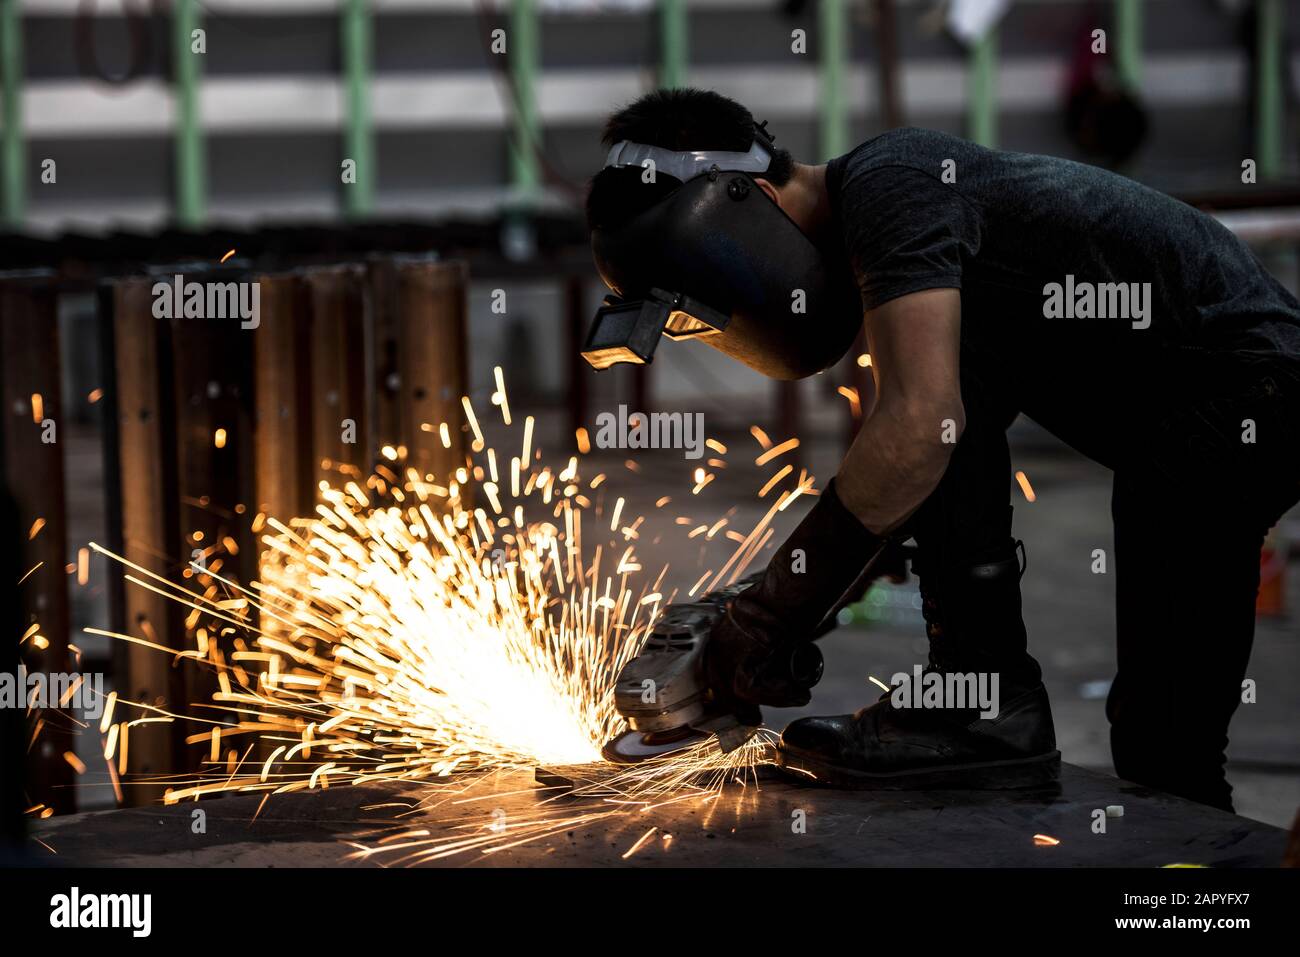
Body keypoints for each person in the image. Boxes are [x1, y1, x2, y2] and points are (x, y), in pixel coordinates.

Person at [584, 89, 1300, 811]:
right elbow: (921, 460)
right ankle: (983, 703)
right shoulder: (899, 237)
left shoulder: (892, 186)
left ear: (753, 201)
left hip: (1248, 394)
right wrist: (772, 606)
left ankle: (1195, 911)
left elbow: (920, 428)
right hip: (1213, 408)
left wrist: (771, 616)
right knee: (946, 411)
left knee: (1165, 749)